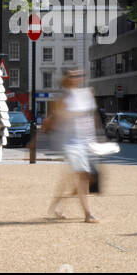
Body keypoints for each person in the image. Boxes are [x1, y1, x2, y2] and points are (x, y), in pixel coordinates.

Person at [44, 68, 99, 222]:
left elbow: (92, 118)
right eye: (73, 75)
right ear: (67, 79)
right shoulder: (63, 99)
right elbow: (55, 121)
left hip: (83, 142)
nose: (77, 77)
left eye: (79, 75)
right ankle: (88, 214)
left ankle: (55, 207)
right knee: (82, 176)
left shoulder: (86, 95)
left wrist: (95, 138)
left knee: (70, 178)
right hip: (69, 143)